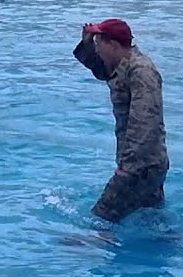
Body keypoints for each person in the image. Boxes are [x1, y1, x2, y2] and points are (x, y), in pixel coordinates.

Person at [73, 18, 170, 223]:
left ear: (114, 45)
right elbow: (102, 71)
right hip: (148, 164)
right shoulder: (122, 65)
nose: (96, 49)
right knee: (152, 221)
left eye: (99, 44)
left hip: (140, 166)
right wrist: (87, 44)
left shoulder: (141, 72)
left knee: (100, 221)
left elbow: (145, 122)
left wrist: (128, 168)